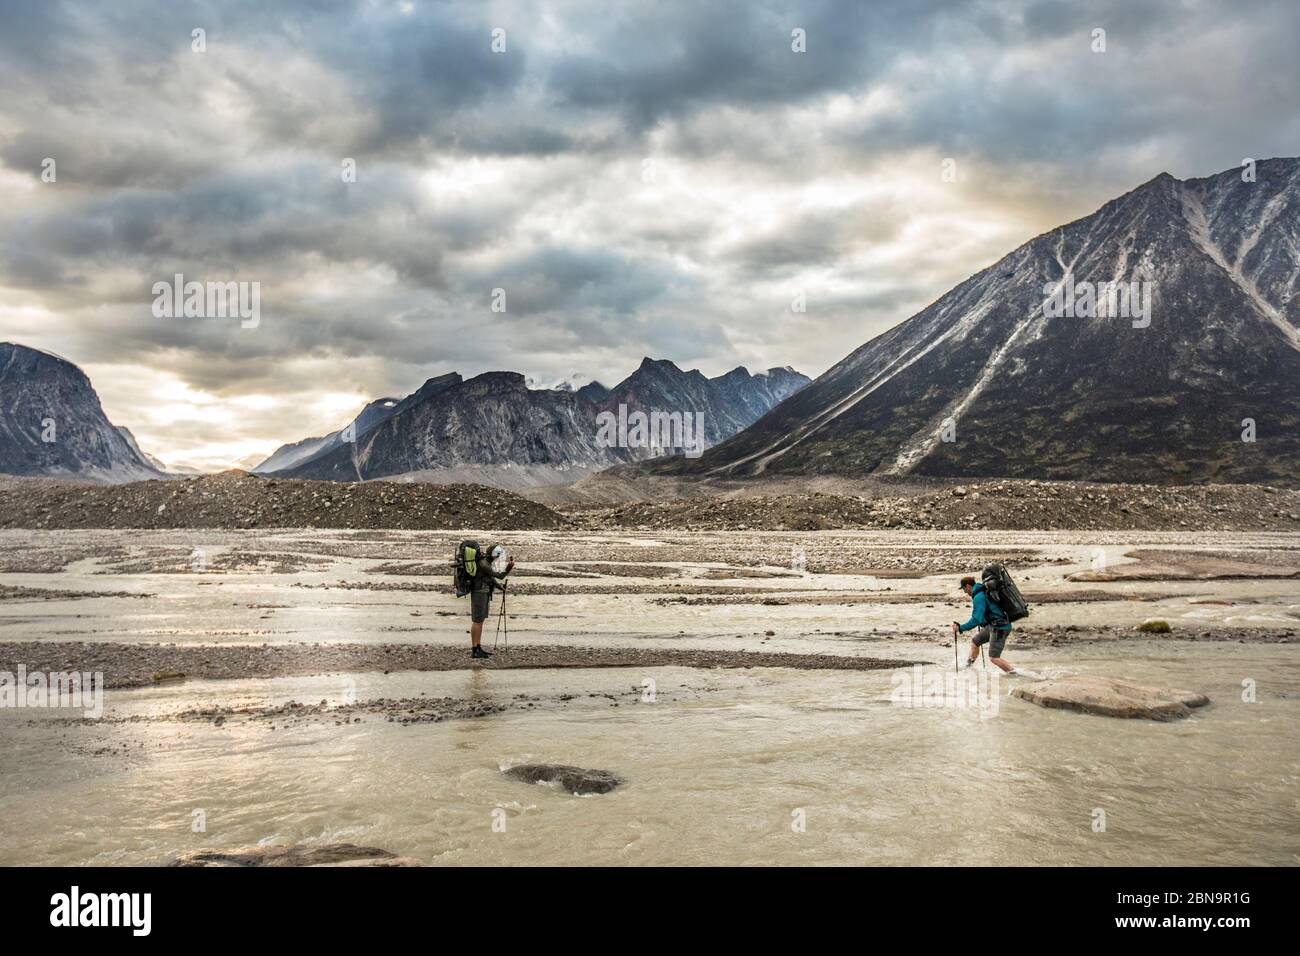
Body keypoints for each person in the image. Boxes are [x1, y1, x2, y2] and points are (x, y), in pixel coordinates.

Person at [951, 575, 1018, 674]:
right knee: (975, 641)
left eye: (964, 589)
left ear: (968, 586)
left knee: (994, 657)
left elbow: (976, 619)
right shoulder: (981, 592)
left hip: (1000, 627)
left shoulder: (979, 597)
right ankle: (968, 667)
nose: (965, 592)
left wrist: (961, 628)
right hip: (993, 625)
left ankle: (1014, 674)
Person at [469, 544, 514, 659]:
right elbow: (499, 575)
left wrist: (500, 587)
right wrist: (509, 568)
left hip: (483, 592)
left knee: (480, 621)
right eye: (497, 555)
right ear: (494, 554)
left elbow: (490, 578)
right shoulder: (484, 564)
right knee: (477, 621)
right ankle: (475, 650)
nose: (498, 558)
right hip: (479, 592)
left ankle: (478, 647)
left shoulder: (485, 562)